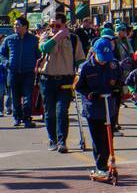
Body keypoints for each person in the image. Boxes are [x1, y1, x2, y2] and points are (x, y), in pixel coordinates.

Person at [36, 12, 86, 153]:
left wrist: (81, 74)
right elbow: (44, 48)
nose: (53, 28)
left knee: (62, 111)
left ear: (64, 25)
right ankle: (52, 139)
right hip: (47, 79)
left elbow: (80, 60)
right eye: (51, 25)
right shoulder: (46, 36)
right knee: (49, 112)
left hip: (65, 80)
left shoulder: (74, 39)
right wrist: (57, 36)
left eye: (57, 25)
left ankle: (62, 141)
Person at [74, 38, 123, 179]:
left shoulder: (114, 64)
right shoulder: (85, 67)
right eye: (101, 58)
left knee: (108, 138)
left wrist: (117, 88)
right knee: (98, 139)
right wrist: (89, 94)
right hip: (93, 109)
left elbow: (120, 81)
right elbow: (78, 86)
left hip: (110, 107)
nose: (104, 61)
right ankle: (100, 166)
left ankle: (105, 163)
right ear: (94, 52)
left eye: (106, 58)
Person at [2, 17, 39, 128]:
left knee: (27, 98)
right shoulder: (9, 39)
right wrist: (6, 63)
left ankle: (27, 118)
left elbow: (39, 54)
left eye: (18, 25)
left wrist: (38, 66)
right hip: (13, 72)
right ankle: (17, 117)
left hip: (28, 73)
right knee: (15, 98)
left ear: (25, 27)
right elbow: (2, 54)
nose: (15, 27)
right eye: (15, 25)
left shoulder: (33, 40)